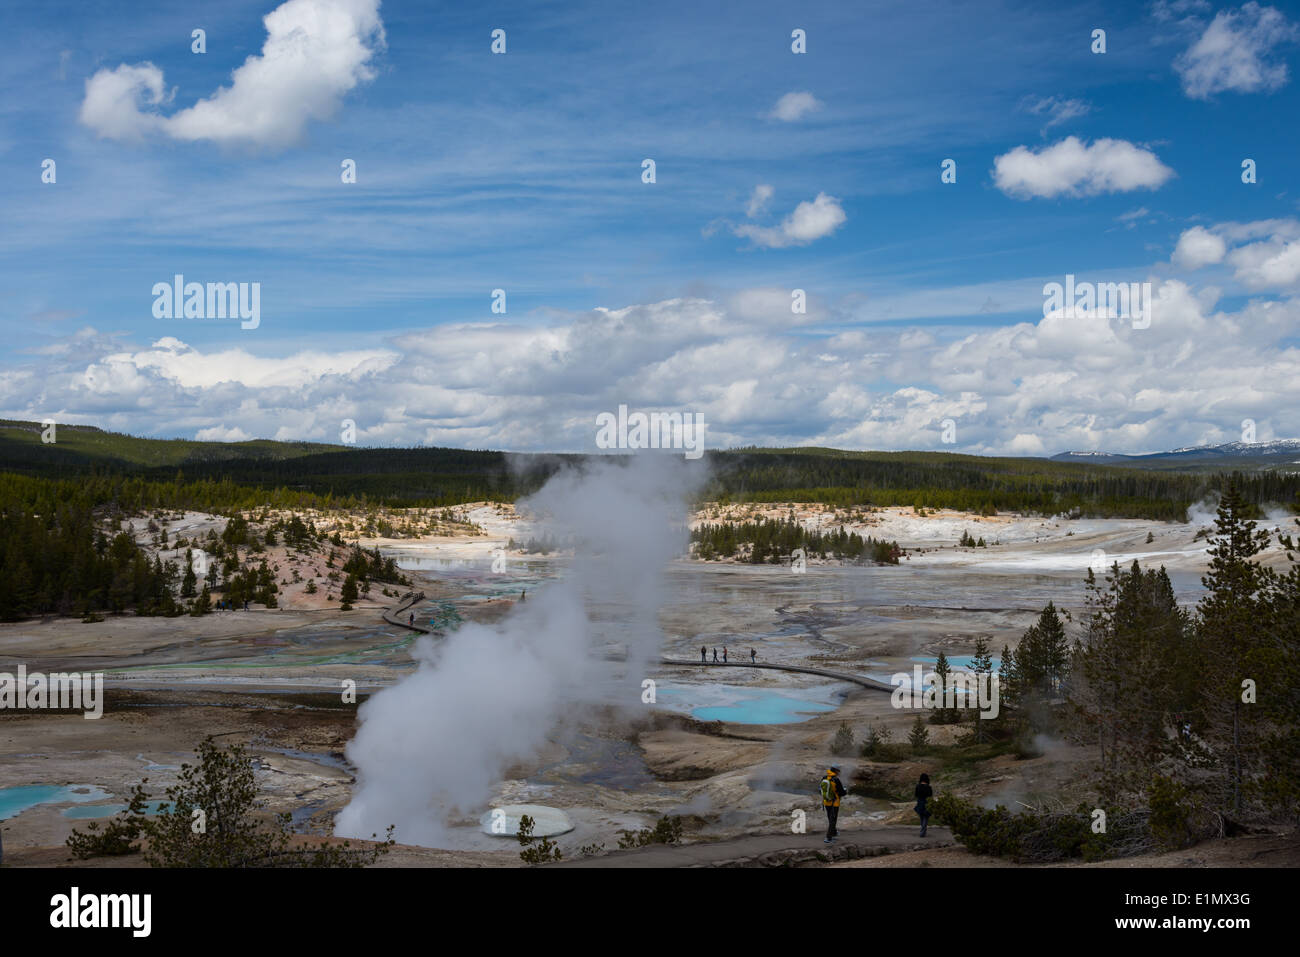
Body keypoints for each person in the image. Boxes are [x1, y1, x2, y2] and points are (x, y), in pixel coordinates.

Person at [820, 766, 846, 843]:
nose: (839, 773)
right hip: (834, 803)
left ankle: (833, 832)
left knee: (830, 817)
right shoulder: (836, 779)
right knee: (833, 820)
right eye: (838, 771)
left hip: (826, 801)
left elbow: (820, 789)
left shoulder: (824, 777)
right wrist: (845, 790)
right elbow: (842, 792)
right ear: (836, 771)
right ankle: (828, 838)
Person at [915, 773, 933, 837]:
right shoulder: (929, 787)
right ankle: (923, 832)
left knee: (921, 817)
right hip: (927, 803)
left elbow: (916, 795)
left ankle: (922, 831)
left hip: (920, 802)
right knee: (926, 817)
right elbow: (931, 796)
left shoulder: (918, 786)